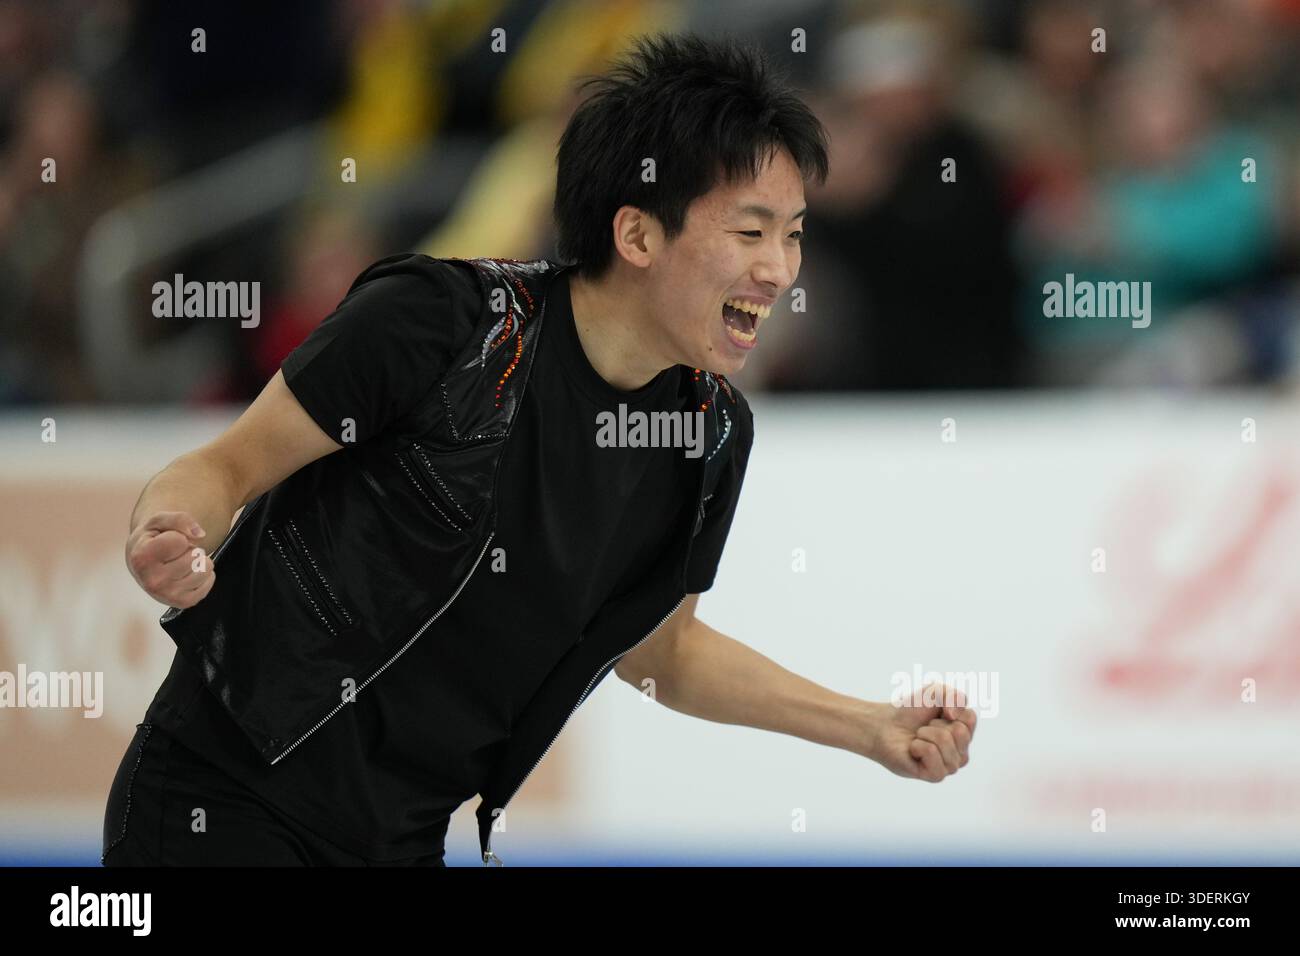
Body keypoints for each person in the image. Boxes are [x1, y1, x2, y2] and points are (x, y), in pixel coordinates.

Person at [104, 32, 977, 868]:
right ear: (636, 235)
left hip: (399, 842)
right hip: (223, 803)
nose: (781, 269)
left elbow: (661, 652)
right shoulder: (438, 325)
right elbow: (223, 468)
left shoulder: (709, 435)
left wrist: (867, 727)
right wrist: (170, 526)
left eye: (792, 234)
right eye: (750, 233)